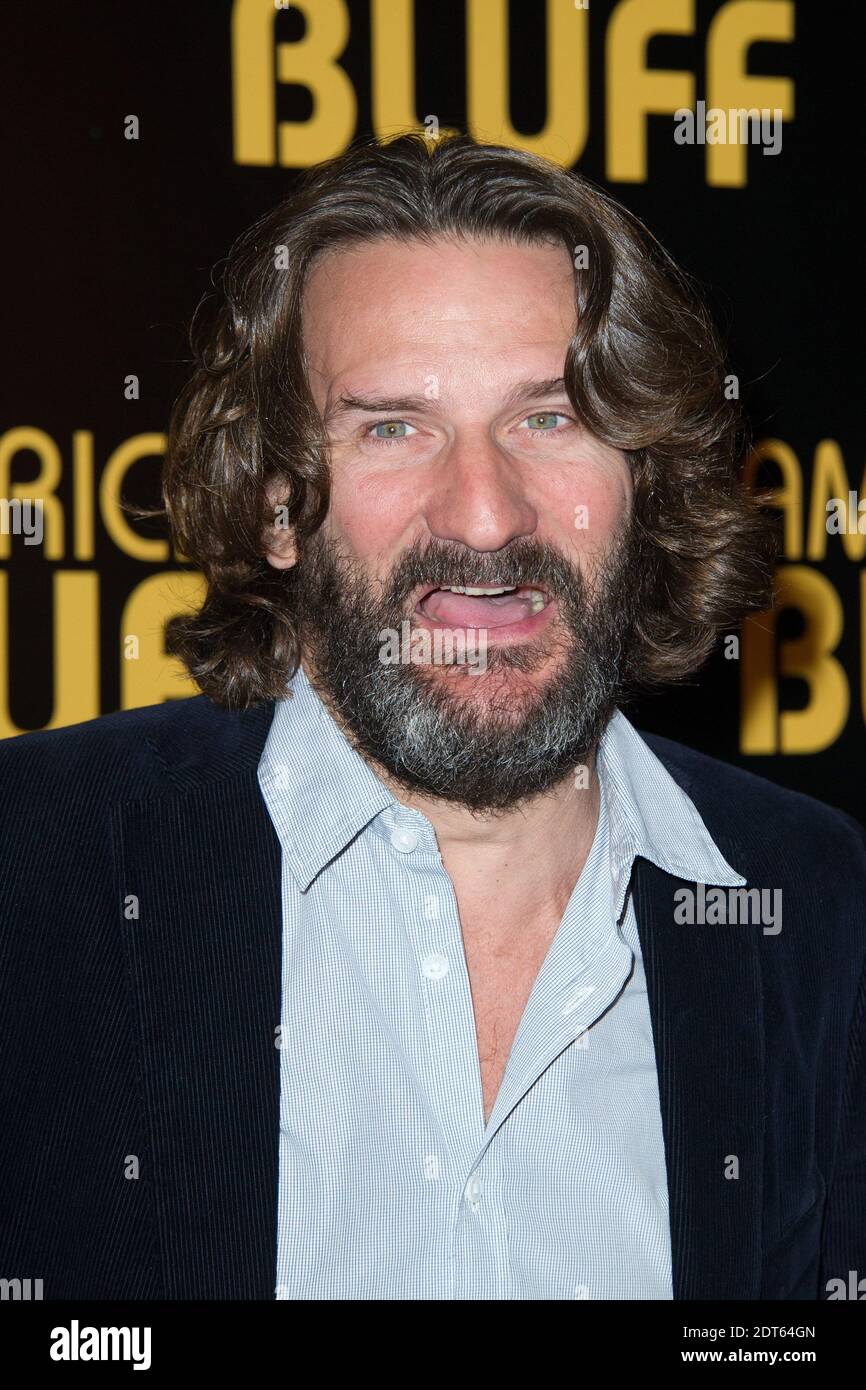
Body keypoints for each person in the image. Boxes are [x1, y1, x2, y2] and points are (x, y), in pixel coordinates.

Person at [1, 134, 863, 1301]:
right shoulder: (36, 865)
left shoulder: (813, 906)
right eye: (391, 426)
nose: (485, 512)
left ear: (643, 480)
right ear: (274, 506)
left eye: (549, 418)